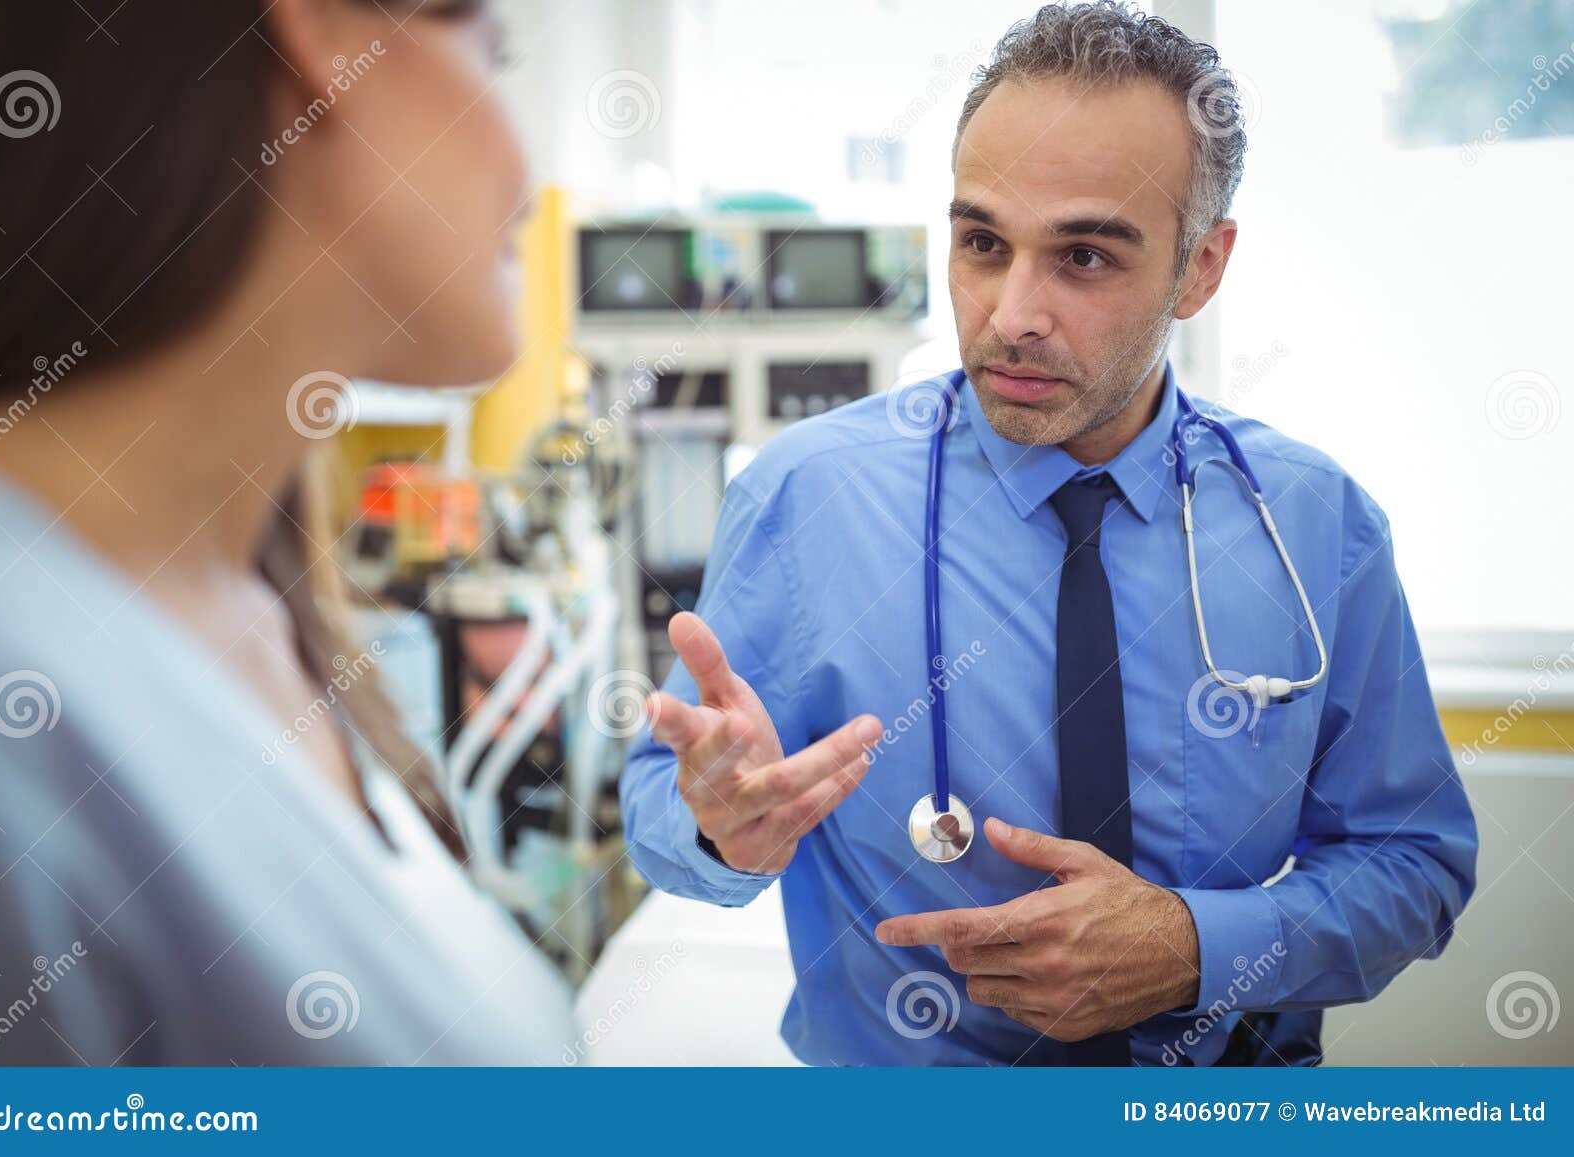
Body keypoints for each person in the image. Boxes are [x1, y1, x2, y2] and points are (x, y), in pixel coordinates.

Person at [621, 2, 1478, 1067]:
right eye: (983, 243)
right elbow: (661, 801)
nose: (1011, 313)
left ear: (1201, 268)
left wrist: (1196, 946)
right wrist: (718, 825)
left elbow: (1414, 863)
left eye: (1083, 256)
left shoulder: (1314, 523)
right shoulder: (809, 499)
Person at [0, 0, 573, 1063]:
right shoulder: (7, 715)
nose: (530, 173)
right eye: (494, 51)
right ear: (322, 35)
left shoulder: (254, 609)